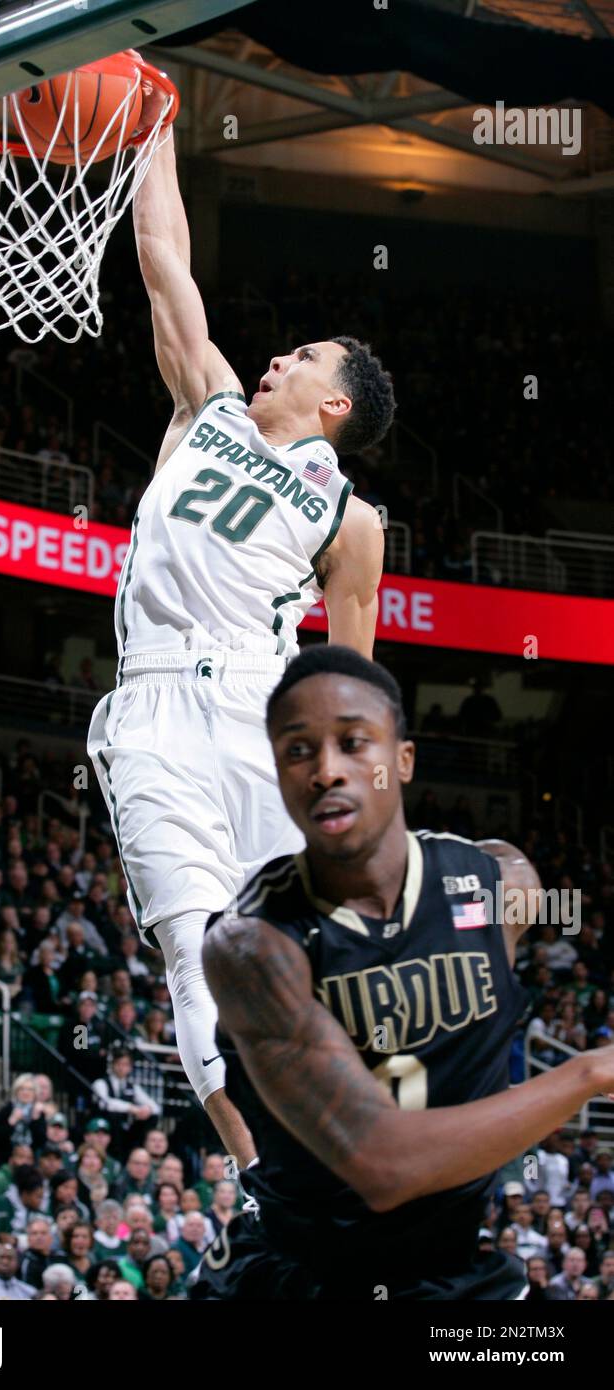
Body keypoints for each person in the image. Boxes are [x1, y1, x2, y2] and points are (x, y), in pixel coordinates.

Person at [87, 67, 394, 1165]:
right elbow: (164, 265)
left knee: (290, 963)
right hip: (159, 707)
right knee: (195, 952)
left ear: (336, 404)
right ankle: (267, 1190)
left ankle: (345, 1166)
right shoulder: (204, 407)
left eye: (301, 356)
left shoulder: (351, 520)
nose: (276, 356)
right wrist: (151, 118)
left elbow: (350, 688)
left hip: (264, 729)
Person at [195, 644, 614, 1300]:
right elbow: (382, 1164)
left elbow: (509, 893)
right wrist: (588, 1073)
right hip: (302, 1271)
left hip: (451, 1267)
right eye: (297, 751)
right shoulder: (251, 945)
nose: (326, 771)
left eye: (353, 742)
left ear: (402, 760)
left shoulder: (498, 884)